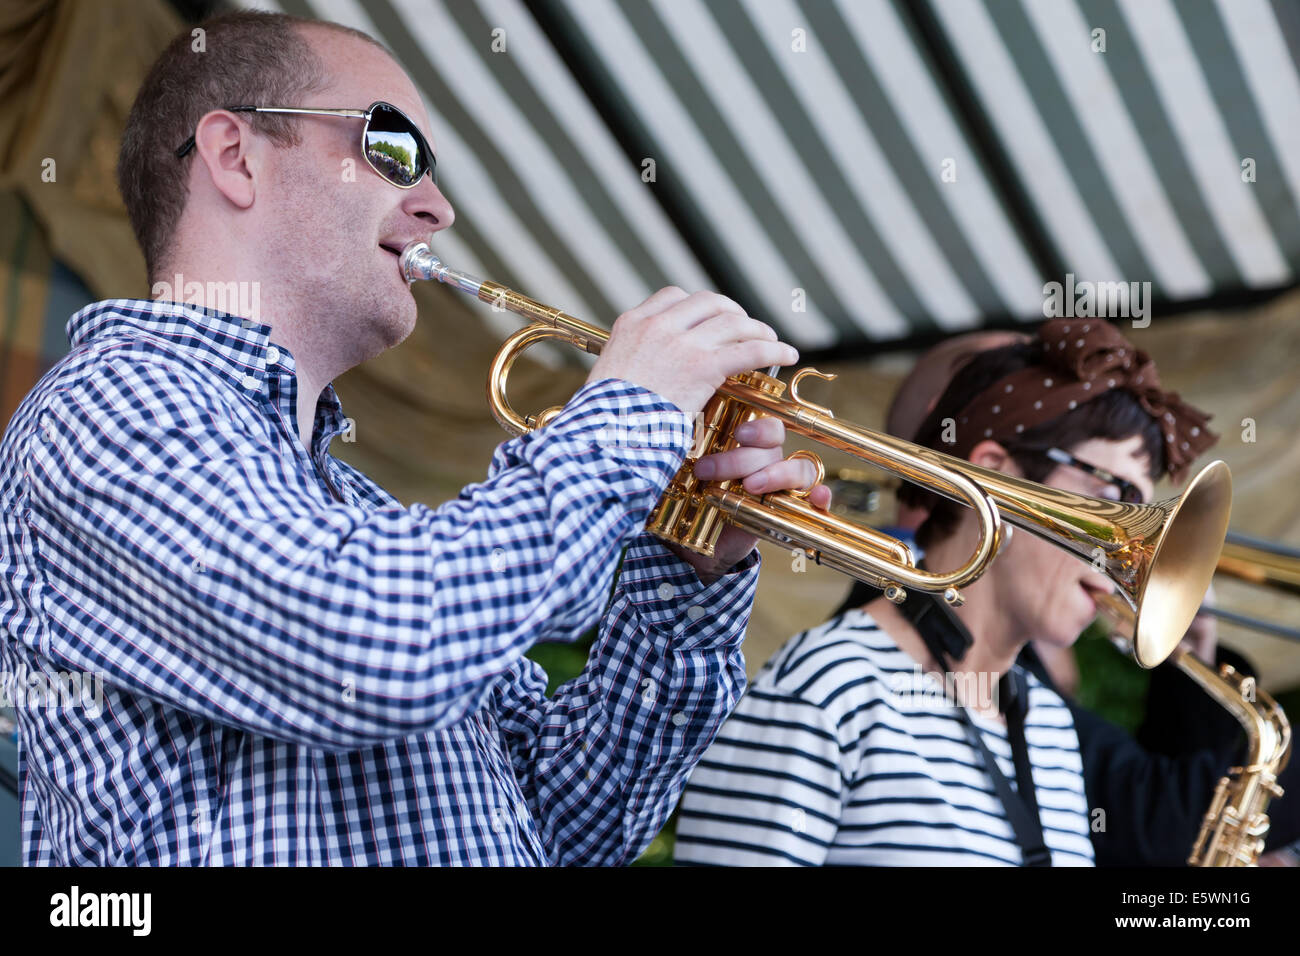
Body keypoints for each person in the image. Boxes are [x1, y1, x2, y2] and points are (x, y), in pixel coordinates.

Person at [0, 11, 826, 866]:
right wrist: (626, 409)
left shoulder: (361, 512)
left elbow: (569, 824)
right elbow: (378, 647)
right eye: (392, 149)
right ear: (235, 156)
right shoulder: (109, 411)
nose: (437, 206)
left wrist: (691, 576)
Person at [674, 318, 1220, 866]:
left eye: (1140, 510)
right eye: (1115, 496)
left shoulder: (1049, 723)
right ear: (997, 477)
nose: (1128, 549)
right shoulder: (831, 680)